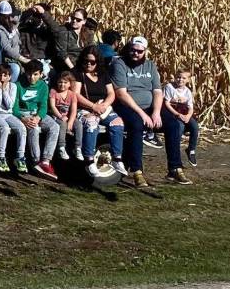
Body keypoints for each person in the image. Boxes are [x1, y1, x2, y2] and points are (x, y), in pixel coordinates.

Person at [111, 36, 163, 188]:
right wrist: (142, 113)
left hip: (149, 107)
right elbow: (121, 93)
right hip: (127, 106)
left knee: (174, 122)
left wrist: (156, 112)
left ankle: (175, 168)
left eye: (139, 52)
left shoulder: (150, 66)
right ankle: (137, 171)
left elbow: (157, 91)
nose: (135, 54)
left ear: (145, 51)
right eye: (133, 50)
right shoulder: (120, 64)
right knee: (136, 124)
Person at [71, 45, 127, 176]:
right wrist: (92, 106)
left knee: (118, 123)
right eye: (86, 61)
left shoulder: (103, 74)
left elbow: (111, 93)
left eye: (92, 62)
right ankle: (89, 159)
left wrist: (104, 105)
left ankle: (117, 158)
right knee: (91, 123)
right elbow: (76, 94)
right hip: (84, 108)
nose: (89, 64)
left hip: (103, 107)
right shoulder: (78, 73)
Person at [13, 60, 60, 179]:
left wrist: (39, 117)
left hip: (37, 114)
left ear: (40, 74)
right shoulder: (19, 85)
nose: (32, 77)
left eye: (35, 74)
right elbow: (14, 107)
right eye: (29, 74)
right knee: (33, 129)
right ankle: (36, 161)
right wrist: (23, 118)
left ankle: (46, 161)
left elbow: (43, 106)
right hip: (23, 114)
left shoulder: (43, 86)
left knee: (55, 126)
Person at [0, 64, 27, 172]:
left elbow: (10, 105)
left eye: (5, 76)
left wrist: (4, 91)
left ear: (9, 77)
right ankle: (1, 157)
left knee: (21, 128)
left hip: (8, 114)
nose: (2, 78)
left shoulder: (13, 86)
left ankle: (20, 157)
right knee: (4, 127)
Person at [161, 68, 199, 184]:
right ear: (175, 76)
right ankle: (175, 157)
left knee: (194, 127)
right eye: (178, 77)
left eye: (184, 78)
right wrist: (177, 114)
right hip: (173, 113)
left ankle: (191, 149)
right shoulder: (169, 87)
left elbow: (190, 107)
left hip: (184, 112)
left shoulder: (187, 91)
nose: (180, 80)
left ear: (188, 79)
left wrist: (188, 116)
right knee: (179, 128)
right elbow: (166, 103)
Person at [0, 0, 30, 84]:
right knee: (15, 69)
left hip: (18, 55)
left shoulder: (12, 25)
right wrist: (22, 59)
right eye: (7, 17)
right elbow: (6, 48)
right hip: (7, 60)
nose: (10, 18)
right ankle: (8, 87)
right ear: (1, 17)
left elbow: (18, 41)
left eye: (11, 16)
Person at [19, 3, 55, 77]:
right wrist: (28, 12)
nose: (37, 18)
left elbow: (57, 31)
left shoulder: (48, 31)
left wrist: (44, 14)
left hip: (43, 60)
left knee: (49, 72)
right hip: (28, 60)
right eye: (35, 15)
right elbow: (15, 23)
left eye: (40, 16)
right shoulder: (24, 29)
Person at [48, 71, 78, 161]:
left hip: (68, 116)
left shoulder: (72, 94)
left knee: (79, 124)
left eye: (65, 82)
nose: (62, 84)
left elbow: (74, 110)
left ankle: (78, 147)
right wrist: (61, 117)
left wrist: (71, 122)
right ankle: (61, 146)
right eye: (60, 82)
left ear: (70, 84)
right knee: (62, 124)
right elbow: (52, 106)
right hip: (56, 116)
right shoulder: (53, 91)